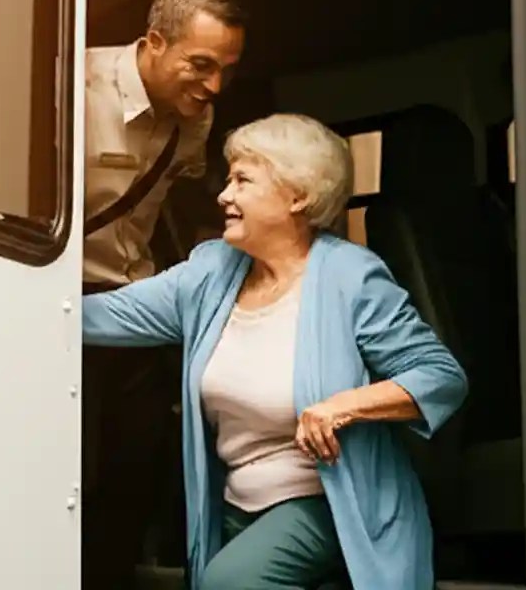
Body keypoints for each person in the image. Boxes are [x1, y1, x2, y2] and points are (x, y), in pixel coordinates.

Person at [83, 113, 469, 590]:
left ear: (298, 196)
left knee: (227, 584)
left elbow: (439, 375)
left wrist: (342, 406)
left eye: (242, 180)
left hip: (326, 502)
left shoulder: (350, 276)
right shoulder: (210, 272)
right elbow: (100, 316)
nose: (224, 195)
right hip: (234, 504)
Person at [81, 0, 246, 590]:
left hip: (140, 300)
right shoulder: (71, 84)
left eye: (226, 69)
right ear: (154, 42)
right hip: (65, 299)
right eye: (201, 65)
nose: (214, 86)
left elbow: (175, 200)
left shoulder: (195, 116)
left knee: (138, 461)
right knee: (75, 467)